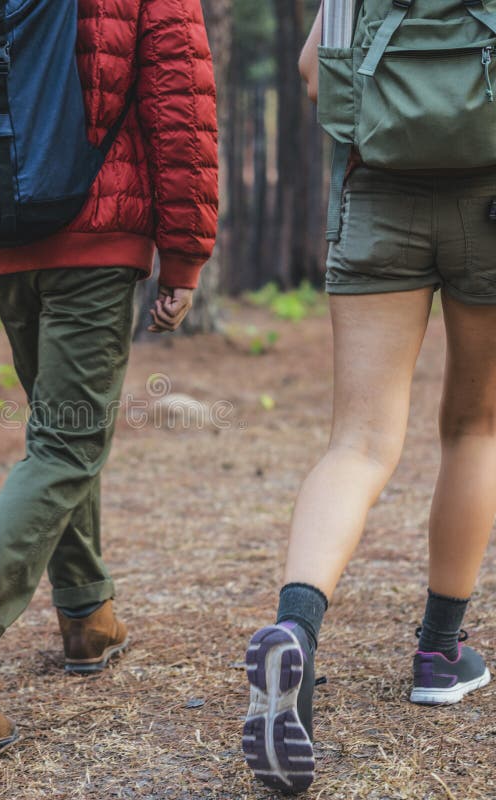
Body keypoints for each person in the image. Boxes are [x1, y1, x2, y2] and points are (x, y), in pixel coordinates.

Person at [0, 0, 219, 753]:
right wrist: (185, 253)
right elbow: (180, 107)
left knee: (59, 434)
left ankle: (87, 615)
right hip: (96, 235)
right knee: (67, 446)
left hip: (0, 237)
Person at [244, 3, 495, 794]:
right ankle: (439, 652)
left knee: (357, 443)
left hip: (377, 199)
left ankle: (295, 629)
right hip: (492, 208)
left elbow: (316, 76)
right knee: (475, 426)